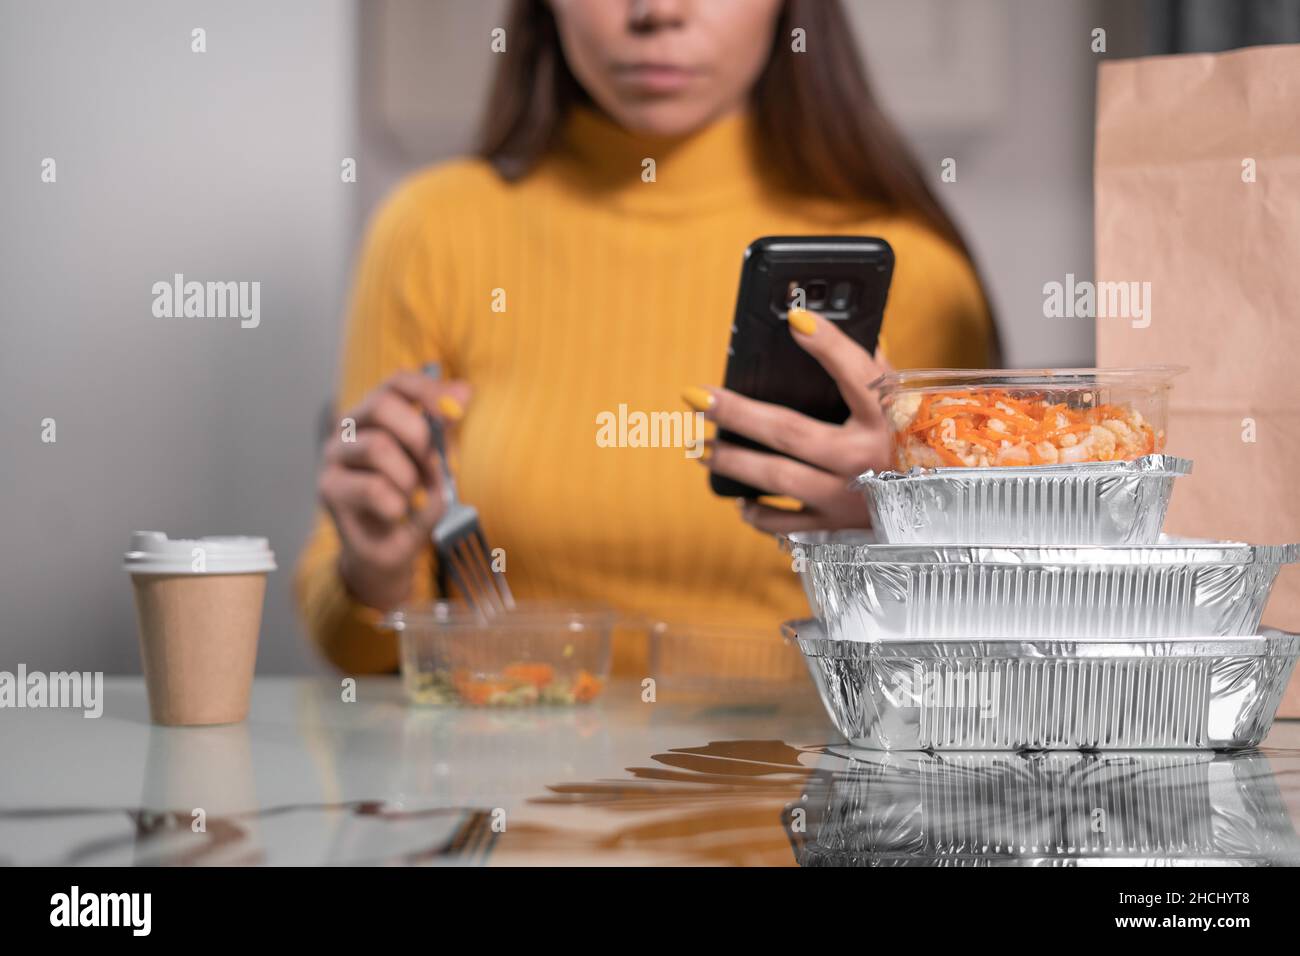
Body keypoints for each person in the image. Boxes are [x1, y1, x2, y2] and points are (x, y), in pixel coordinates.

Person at [296, 0, 994, 674]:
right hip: (508, 784)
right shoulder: (431, 233)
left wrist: (893, 533)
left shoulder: (923, 277)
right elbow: (354, 651)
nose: (658, 10)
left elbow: (994, 645)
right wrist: (378, 567)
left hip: (808, 786)